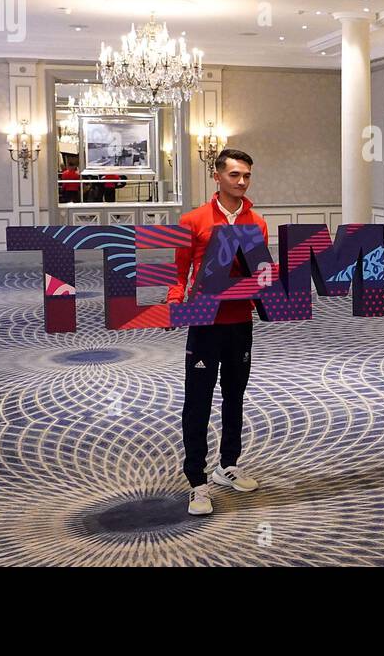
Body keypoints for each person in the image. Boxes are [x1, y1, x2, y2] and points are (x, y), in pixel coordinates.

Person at [166, 149, 269, 517]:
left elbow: (263, 275)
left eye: (246, 176)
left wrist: (270, 302)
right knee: (198, 401)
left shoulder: (256, 223)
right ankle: (197, 480)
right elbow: (179, 273)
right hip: (205, 323)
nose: (241, 182)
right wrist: (175, 303)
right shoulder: (193, 219)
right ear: (217, 176)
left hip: (240, 322)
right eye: (234, 175)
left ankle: (229, 465)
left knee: (234, 397)